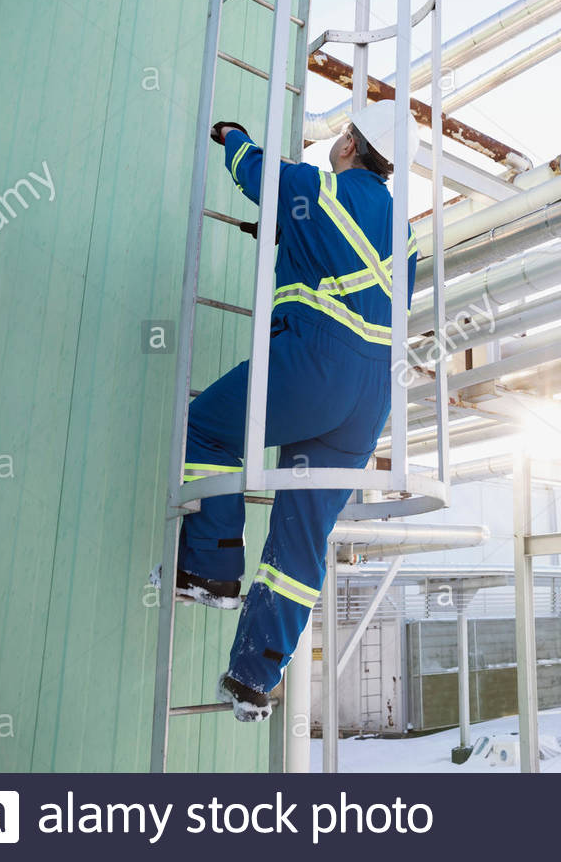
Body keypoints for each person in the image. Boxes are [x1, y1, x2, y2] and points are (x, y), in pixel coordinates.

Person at [176, 100, 415, 721]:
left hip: (317, 364)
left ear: (346, 146)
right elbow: (354, 273)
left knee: (205, 428)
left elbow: (258, 171)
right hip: (373, 396)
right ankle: (255, 676)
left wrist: (232, 135)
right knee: (302, 538)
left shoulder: (319, 187)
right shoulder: (404, 232)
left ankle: (213, 568)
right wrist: (287, 233)